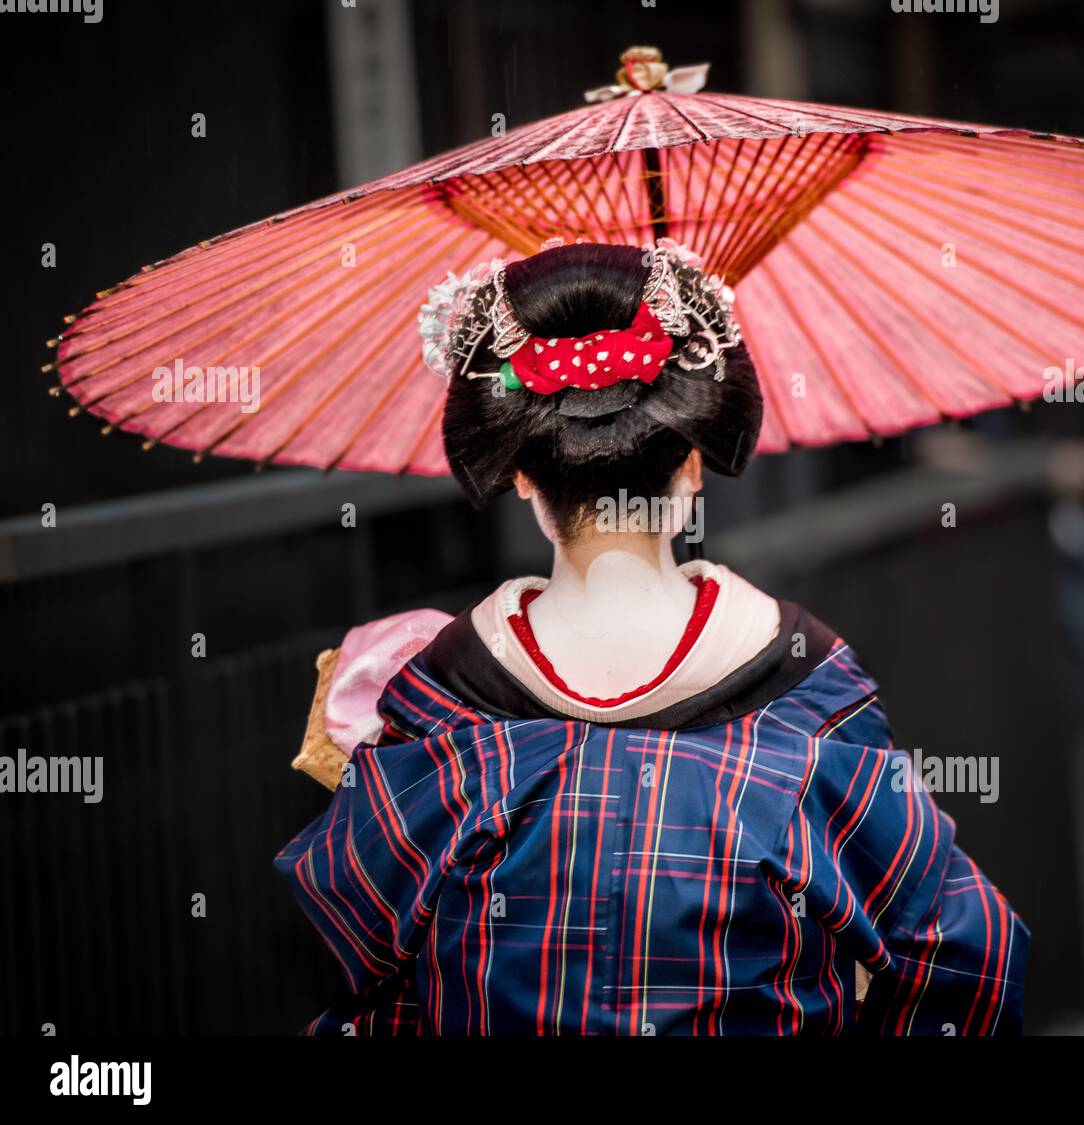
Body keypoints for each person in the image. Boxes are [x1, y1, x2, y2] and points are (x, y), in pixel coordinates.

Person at [273, 241, 1028, 1035]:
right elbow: (963, 953)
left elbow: (372, 970)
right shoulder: (807, 693)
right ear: (693, 465)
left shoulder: (440, 698)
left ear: (524, 476)